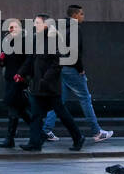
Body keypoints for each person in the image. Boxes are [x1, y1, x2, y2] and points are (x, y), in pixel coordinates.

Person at [41, 4, 113, 143]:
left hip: (60, 67)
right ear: (74, 15)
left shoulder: (61, 27)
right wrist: (80, 69)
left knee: (59, 101)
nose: (83, 17)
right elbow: (75, 52)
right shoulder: (75, 29)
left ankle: (46, 130)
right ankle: (97, 132)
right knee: (85, 98)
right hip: (71, 68)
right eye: (81, 14)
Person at [17, 15, 84, 152]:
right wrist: (21, 73)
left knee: (62, 113)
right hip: (37, 85)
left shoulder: (54, 39)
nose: (35, 25)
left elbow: (57, 63)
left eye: (37, 22)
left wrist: (44, 79)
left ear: (46, 24)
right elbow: (30, 58)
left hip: (50, 87)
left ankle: (78, 137)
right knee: (36, 114)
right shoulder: (35, 39)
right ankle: (35, 143)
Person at [0, 19, 30, 148]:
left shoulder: (25, 41)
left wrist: (22, 75)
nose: (12, 29)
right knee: (18, 109)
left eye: (14, 27)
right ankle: (39, 131)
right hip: (9, 78)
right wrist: (1, 60)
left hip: (19, 79)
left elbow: (28, 61)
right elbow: (4, 59)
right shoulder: (7, 40)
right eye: (10, 27)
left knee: (13, 106)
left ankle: (10, 138)